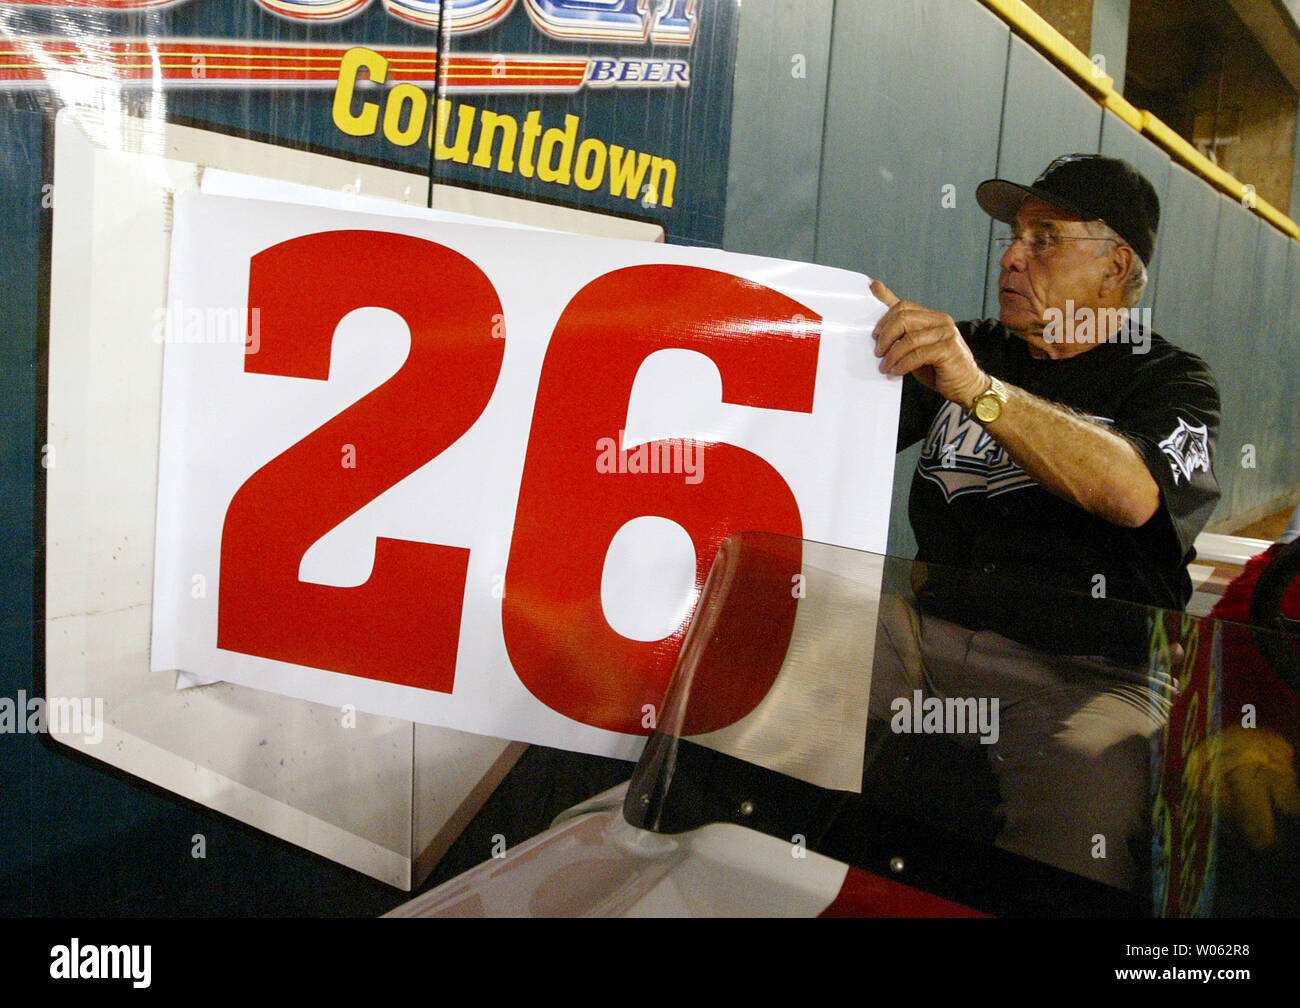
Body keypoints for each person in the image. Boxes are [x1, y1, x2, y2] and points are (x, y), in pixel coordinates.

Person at [865, 154, 1222, 892]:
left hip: (1092, 671)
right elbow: (827, 428)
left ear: (1116, 267)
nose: (1013, 255)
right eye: (1014, 235)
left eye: (1045, 237)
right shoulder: (973, 347)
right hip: (926, 636)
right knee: (780, 665)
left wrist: (981, 394)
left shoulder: (1169, 379)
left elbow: (1135, 494)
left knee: (1082, 826)